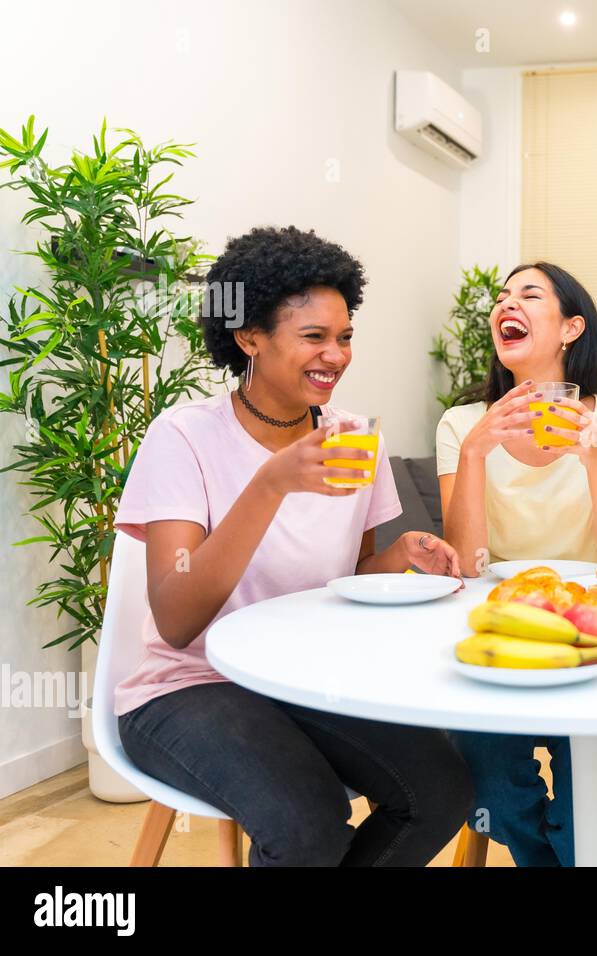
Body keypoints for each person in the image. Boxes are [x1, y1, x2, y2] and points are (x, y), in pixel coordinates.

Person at [115, 225, 472, 866]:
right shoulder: (184, 437)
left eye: (345, 337)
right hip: (190, 684)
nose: (335, 355)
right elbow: (175, 617)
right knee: (308, 823)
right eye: (314, 337)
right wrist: (269, 484)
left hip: (304, 677)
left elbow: (350, 571)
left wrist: (402, 555)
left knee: (441, 788)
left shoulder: (353, 436)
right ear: (249, 336)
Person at [436, 261, 597, 866]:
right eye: (503, 297)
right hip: (502, 628)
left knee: (589, 800)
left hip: (590, 634)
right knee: (494, 789)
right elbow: (469, 562)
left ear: (570, 328)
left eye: (530, 295)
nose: (508, 303)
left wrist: (594, 459)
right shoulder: (461, 424)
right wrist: (477, 453)